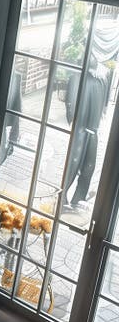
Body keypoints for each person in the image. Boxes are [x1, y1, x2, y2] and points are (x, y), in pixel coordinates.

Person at [63, 56, 110, 209]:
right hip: (82, 128)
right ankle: (63, 196)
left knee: (89, 165)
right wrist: (73, 122)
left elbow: (70, 103)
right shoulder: (80, 78)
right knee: (74, 164)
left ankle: (79, 197)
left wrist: (72, 119)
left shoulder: (100, 79)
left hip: (90, 129)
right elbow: (70, 102)